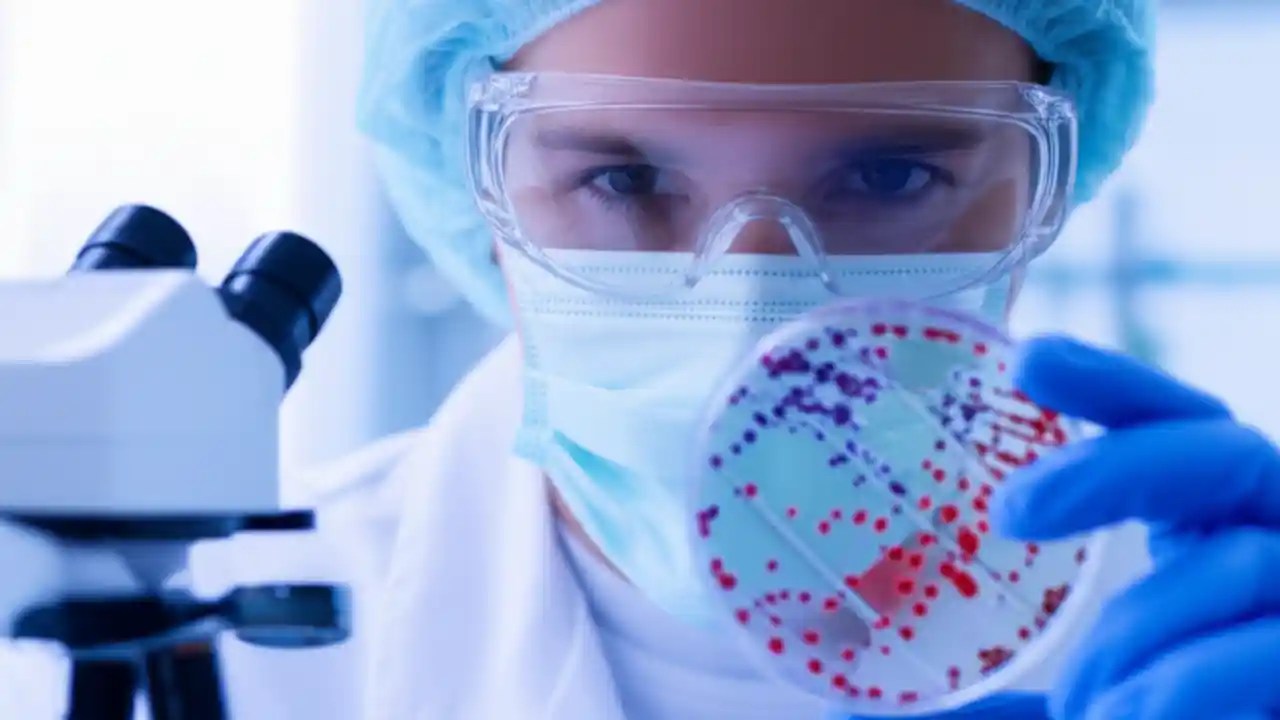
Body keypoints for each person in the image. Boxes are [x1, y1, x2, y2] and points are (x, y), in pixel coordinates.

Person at [315, 0, 1279, 718]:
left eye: (890, 174)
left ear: (1043, 187)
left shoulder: (1203, 634)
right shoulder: (217, 649)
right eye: (626, 178)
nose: (751, 309)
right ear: (476, 186)